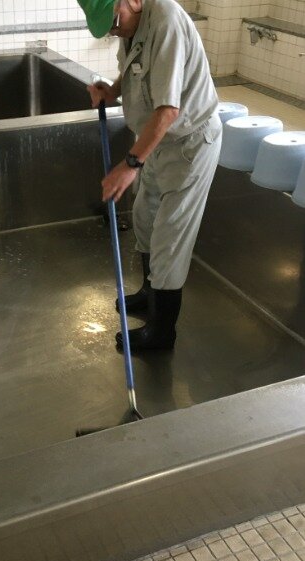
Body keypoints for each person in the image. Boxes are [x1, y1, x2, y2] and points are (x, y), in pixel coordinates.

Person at [77, 0, 222, 350]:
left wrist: (130, 165)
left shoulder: (166, 22)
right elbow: (136, 70)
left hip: (188, 144)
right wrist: (113, 90)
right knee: (144, 217)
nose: (114, 30)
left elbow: (169, 109)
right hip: (156, 142)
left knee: (169, 239)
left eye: (114, 21)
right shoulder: (133, 23)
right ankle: (149, 293)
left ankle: (162, 333)